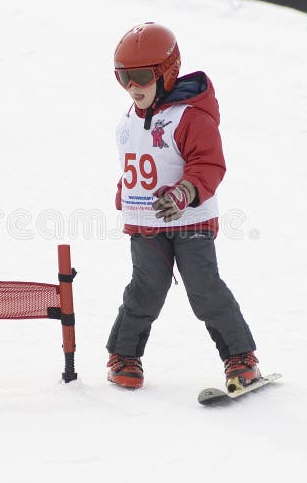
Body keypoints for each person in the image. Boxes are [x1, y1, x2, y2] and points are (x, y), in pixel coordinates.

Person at [107, 21, 261, 392]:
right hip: (147, 224)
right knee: (145, 290)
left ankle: (241, 357)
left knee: (204, 289)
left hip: (190, 221)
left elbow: (208, 164)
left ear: (167, 72)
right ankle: (123, 356)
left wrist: (185, 192)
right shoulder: (128, 120)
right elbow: (135, 164)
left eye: (141, 77)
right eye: (123, 77)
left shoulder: (190, 117)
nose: (132, 87)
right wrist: (123, 192)